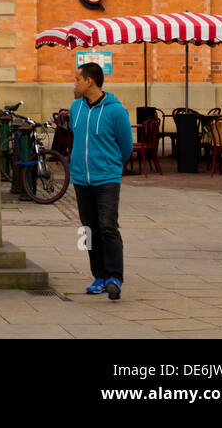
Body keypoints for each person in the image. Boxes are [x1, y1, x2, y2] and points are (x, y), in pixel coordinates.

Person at [69, 62, 132, 301]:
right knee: (88, 228)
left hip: (106, 177)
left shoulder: (116, 111)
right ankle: (99, 276)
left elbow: (126, 146)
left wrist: (110, 164)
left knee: (107, 226)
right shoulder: (75, 107)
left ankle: (114, 277)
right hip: (80, 177)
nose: (75, 83)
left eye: (78, 79)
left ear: (90, 81)